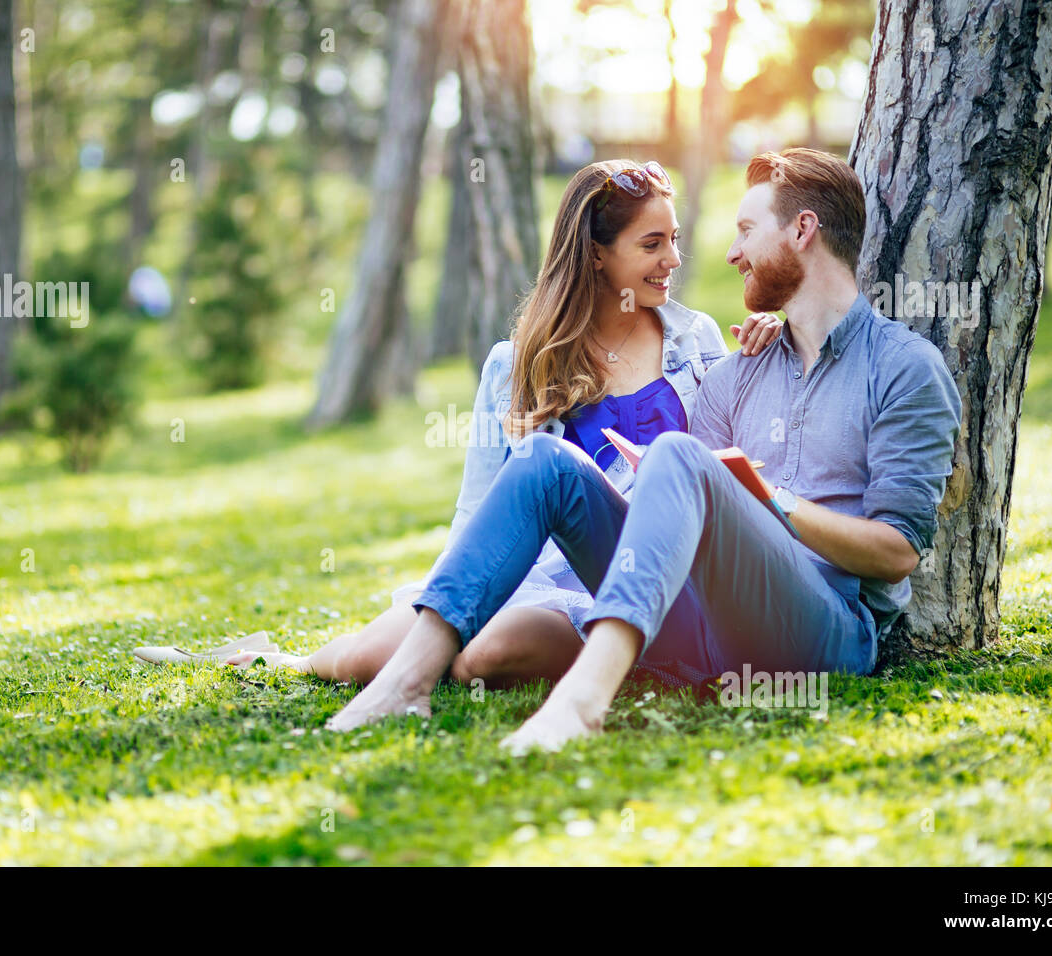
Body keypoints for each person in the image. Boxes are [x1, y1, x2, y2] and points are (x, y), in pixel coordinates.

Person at [324, 147, 963, 755]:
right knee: (546, 461)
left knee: (677, 455)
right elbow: (689, 516)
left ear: (802, 231)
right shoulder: (736, 373)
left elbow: (898, 554)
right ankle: (406, 684)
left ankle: (582, 702)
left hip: (821, 635)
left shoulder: (904, 369)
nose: (730, 253)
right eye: (657, 243)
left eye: (745, 230)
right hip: (698, 631)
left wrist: (770, 498)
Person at [135, 159, 781, 687]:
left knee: (484, 658)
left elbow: (735, 470)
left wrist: (771, 349)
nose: (674, 259)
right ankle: (275, 659)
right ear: (595, 255)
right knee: (366, 659)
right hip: (534, 575)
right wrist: (449, 595)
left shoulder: (695, 341)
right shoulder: (517, 364)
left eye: (674, 239)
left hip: (632, 577)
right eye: (652, 244)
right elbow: (479, 509)